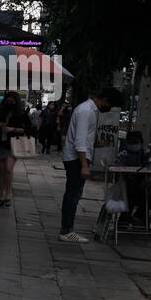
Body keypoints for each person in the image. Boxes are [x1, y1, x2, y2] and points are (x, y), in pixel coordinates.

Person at [59, 87, 123, 243]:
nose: (109, 109)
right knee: (72, 196)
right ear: (105, 100)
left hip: (77, 159)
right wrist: (84, 165)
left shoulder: (88, 110)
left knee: (74, 194)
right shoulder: (86, 112)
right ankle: (66, 230)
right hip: (76, 159)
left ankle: (67, 229)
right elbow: (80, 142)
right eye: (111, 105)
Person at [0, 92, 33, 208]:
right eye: (8, 99)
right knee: (1, 170)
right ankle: (2, 194)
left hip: (13, 144)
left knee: (8, 168)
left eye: (12, 100)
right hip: (0, 143)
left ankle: (8, 193)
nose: (10, 101)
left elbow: (29, 129)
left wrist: (13, 129)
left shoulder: (21, 114)